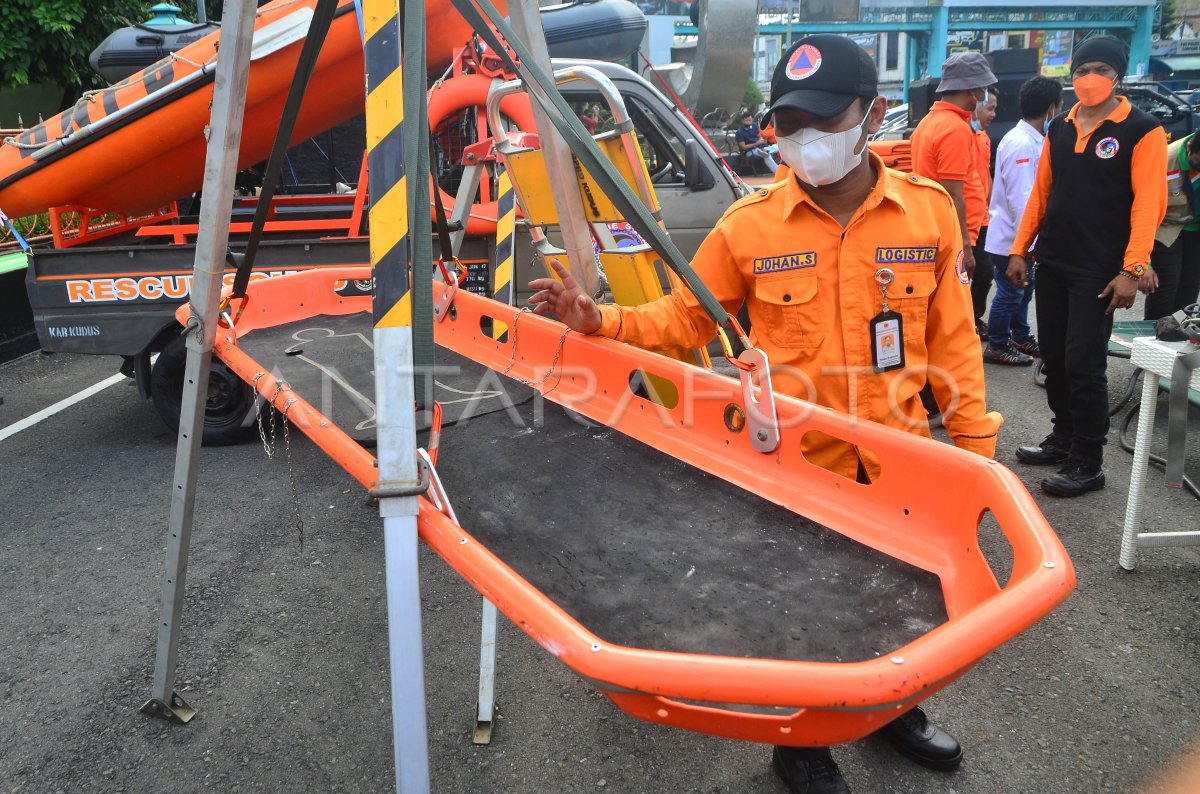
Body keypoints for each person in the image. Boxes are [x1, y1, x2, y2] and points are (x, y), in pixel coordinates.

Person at [529, 34, 1002, 794]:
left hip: (901, 460)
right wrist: (602, 321)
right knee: (803, 607)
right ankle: (803, 742)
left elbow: (955, 342)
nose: (804, 138)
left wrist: (976, 455)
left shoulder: (928, 213)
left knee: (905, 599)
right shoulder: (749, 227)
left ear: (873, 114)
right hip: (793, 469)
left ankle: (896, 708)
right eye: (789, 123)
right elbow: (685, 317)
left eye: (823, 119)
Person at [1008, 36, 1167, 497]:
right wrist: (1020, 248)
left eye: (1100, 69)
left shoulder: (1142, 129)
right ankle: (1063, 436)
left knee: (1084, 362)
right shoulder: (1059, 127)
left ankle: (1088, 460)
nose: (1089, 78)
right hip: (1054, 259)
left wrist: (1132, 270)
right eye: (1081, 70)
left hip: (1099, 269)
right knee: (1055, 356)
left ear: (1118, 76)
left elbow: (1149, 205)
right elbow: (1041, 194)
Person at [982, 76, 1063, 365]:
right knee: (1010, 293)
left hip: (1018, 238)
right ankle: (997, 344)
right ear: (1051, 108)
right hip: (1013, 239)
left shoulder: (1031, 140)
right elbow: (1022, 200)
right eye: (1060, 107)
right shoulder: (1022, 144)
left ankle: (1019, 335)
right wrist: (1028, 244)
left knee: (1023, 290)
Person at [910, 51, 998, 280]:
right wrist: (965, 246)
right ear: (974, 89)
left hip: (942, 227)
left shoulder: (929, 123)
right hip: (956, 233)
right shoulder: (954, 129)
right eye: (983, 88)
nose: (984, 95)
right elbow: (953, 193)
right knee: (970, 288)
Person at [1147, 130, 1200, 319]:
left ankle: (1182, 331)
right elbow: (1143, 212)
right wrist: (1144, 264)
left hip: (1195, 227)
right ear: (1189, 148)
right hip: (1165, 226)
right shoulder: (1164, 161)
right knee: (1165, 285)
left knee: (1189, 286)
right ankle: (1156, 331)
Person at [970, 89, 998, 336]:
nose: (993, 114)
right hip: (968, 218)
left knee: (984, 272)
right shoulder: (965, 136)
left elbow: (986, 173)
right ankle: (968, 319)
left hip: (983, 217)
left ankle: (973, 317)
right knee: (978, 271)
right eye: (990, 108)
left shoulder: (984, 138)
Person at [734, 111, 778, 175]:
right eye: (747, 120)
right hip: (749, 151)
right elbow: (744, 147)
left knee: (779, 146)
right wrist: (756, 143)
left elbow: (759, 136)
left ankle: (765, 151)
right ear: (742, 121)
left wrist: (762, 140)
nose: (749, 122)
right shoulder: (739, 132)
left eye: (750, 120)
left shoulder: (754, 126)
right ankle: (778, 172)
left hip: (761, 147)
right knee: (766, 156)